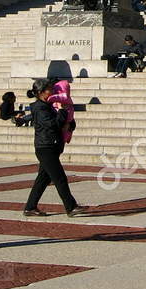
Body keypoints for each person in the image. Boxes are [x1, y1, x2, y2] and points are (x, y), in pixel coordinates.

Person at [20, 81, 86, 218]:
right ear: (40, 92)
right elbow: (53, 124)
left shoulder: (48, 106)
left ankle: (30, 207)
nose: (52, 92)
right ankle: (71, 207)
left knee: (43, 179)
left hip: (51, 146)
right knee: (60, 178)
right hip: (46, 147)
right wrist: (62, 110)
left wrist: (69, 122)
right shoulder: (40, 108)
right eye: (49, 90)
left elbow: (65, 121)